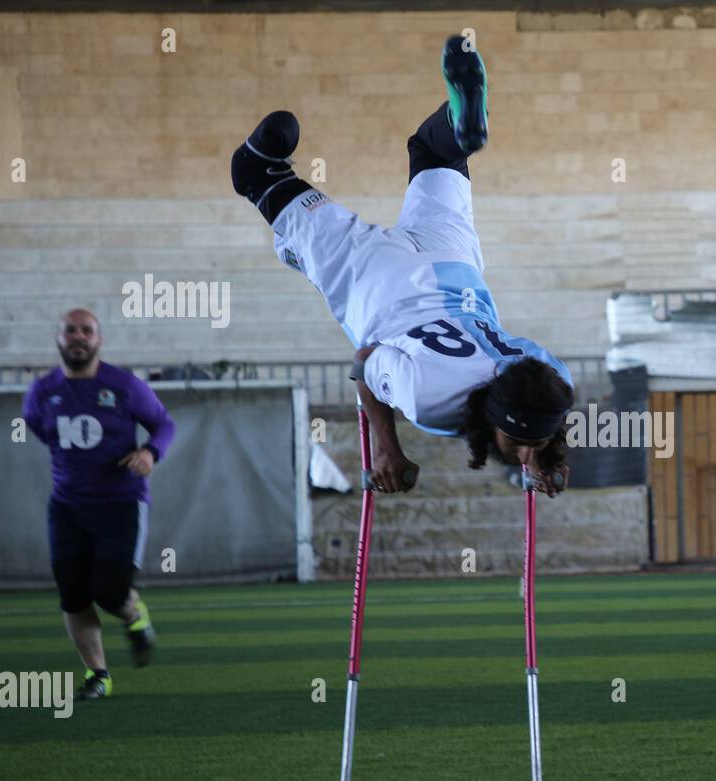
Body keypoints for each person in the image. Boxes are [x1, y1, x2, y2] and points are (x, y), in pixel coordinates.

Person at [230, 35, 574, 497]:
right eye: (520, 443)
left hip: (453, 267)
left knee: (437, 153)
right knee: (254, 174)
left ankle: (460, 121)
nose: (524, 456)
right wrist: (387, 447)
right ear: (492, 417)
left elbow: (546, 423)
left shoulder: (553, 378)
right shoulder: (429, 399)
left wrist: (547, 453)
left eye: (532, 445)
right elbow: (366, 360)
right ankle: (267, 162)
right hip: (377, 283)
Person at [22, 309, 176, 700]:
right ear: (58, 339)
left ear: (98, 340)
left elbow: (164, 423)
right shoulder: (42, 392)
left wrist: (150, 453)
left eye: (86, 331)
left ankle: (134, 616)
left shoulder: (123, 385)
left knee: (109, 592)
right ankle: (98, 675)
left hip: (120, 504)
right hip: (67, 507)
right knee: (73, 595)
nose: (78, 337)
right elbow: (40, 428)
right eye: (70, 331)